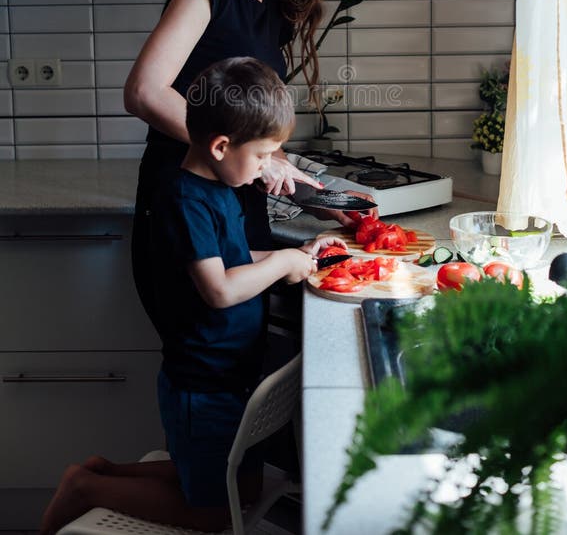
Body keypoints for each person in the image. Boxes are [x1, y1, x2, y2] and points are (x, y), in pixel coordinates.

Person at [40, 57, 347, 535]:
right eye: (264, 156)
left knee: (234, 486)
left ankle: (101, 473)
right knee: (212, 511)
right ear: (221, 146)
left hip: (228, 373)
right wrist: (283, 265)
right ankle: (86, 489)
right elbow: (220, 289)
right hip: (201, 382)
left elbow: (232, 256)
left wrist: (300, 254)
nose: (269, 169)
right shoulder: (185, 199)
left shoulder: (219, 184)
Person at [124, 0, 372, 331]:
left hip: (239, 213)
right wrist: (262, 162)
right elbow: (144, 91)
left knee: (237, 362)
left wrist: (319, 199)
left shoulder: (274, 5)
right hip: (188, 207)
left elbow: (252, 138)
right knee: (201, 365)